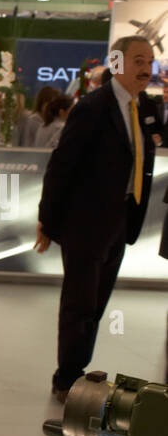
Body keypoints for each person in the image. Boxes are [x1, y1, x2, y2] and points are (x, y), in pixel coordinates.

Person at [36, 35, 158, 402]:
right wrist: (47, 219)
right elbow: (62, 165)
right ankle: (66, 378)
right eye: (138, 60)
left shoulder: (146, 107)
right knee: (80, 303)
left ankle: (78, 372)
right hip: (85, 222)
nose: (146, 68)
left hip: (121, 218)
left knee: (98, 303)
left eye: (150, 61)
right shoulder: (93, 107)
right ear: (117, 64)